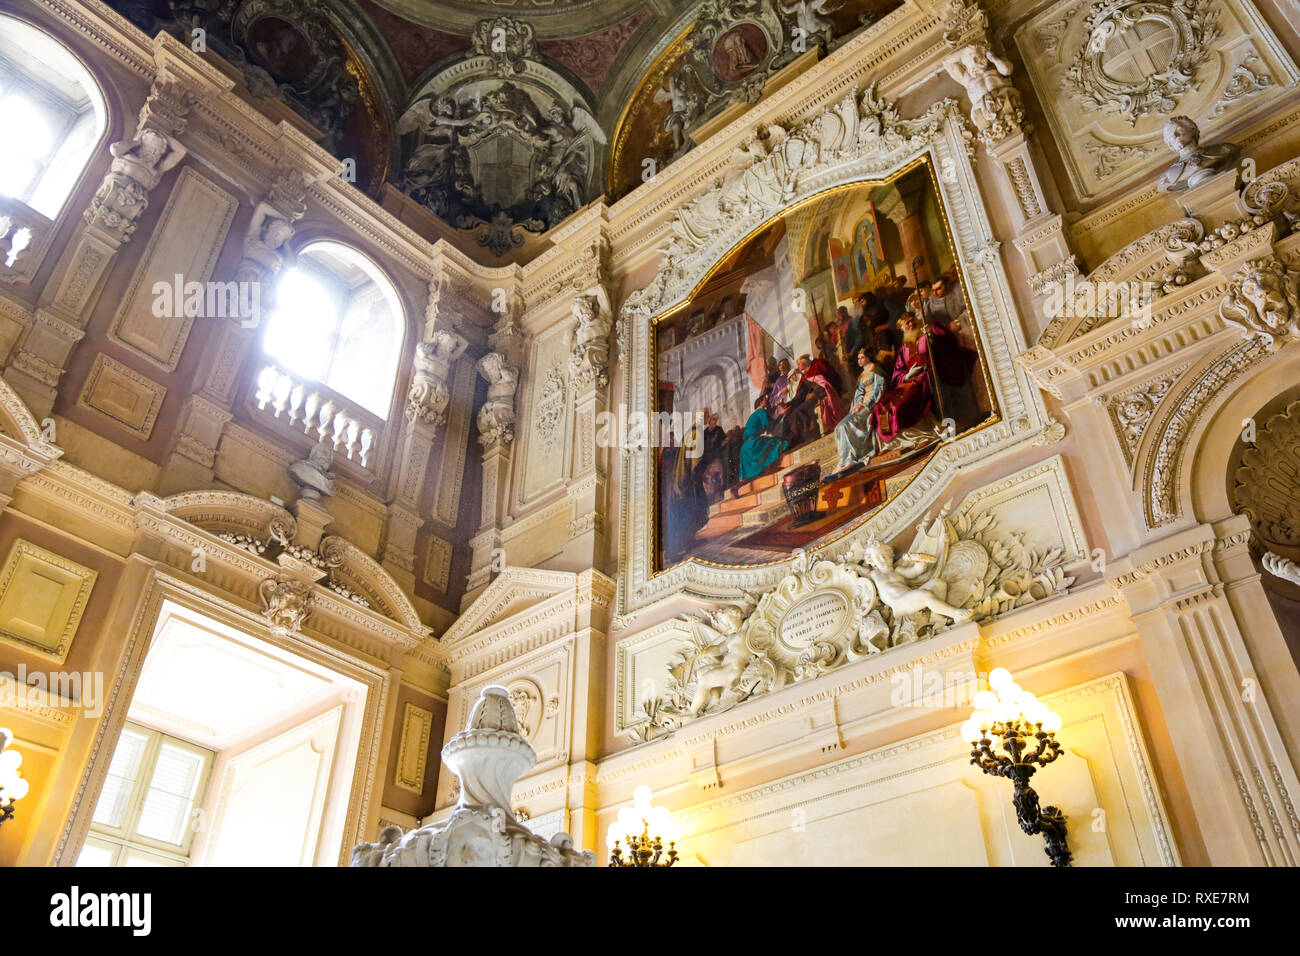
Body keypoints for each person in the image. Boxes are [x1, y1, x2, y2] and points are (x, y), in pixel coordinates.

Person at [872, 313, 935, 445]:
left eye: (912, 321)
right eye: (907, 323)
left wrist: (930, 337)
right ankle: (894, 443)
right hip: (908, 382)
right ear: (902, 328)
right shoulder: (904, 348)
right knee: (881, 407)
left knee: (898, 407)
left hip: (923, 380)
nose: (911, 324)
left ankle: (918, 438)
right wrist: (907, 375)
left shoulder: (925, 337)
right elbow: (897, 372)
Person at [829, 348, 887, 476]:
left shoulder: (876, 371)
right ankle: (843, 461)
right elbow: (859, 392)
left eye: (862, 357)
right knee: (839, 427)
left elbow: (879, 390)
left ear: (868, 357)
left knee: (845, 426)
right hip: (861, 406)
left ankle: (851, 458)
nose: (860, 360)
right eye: (858, 358)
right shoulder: (862, 375)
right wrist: (858, 404)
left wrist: (865, 405)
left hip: (871, 405)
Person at [739, 394, 787, 481]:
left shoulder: (755, 414)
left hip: (745, 447)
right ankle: (771, 470)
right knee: (779, 443)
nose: (767, 400)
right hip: (753, 444)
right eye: (765, 399)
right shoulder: (761, 411)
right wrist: (782, 414)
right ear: (761, 402)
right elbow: (769, 427)